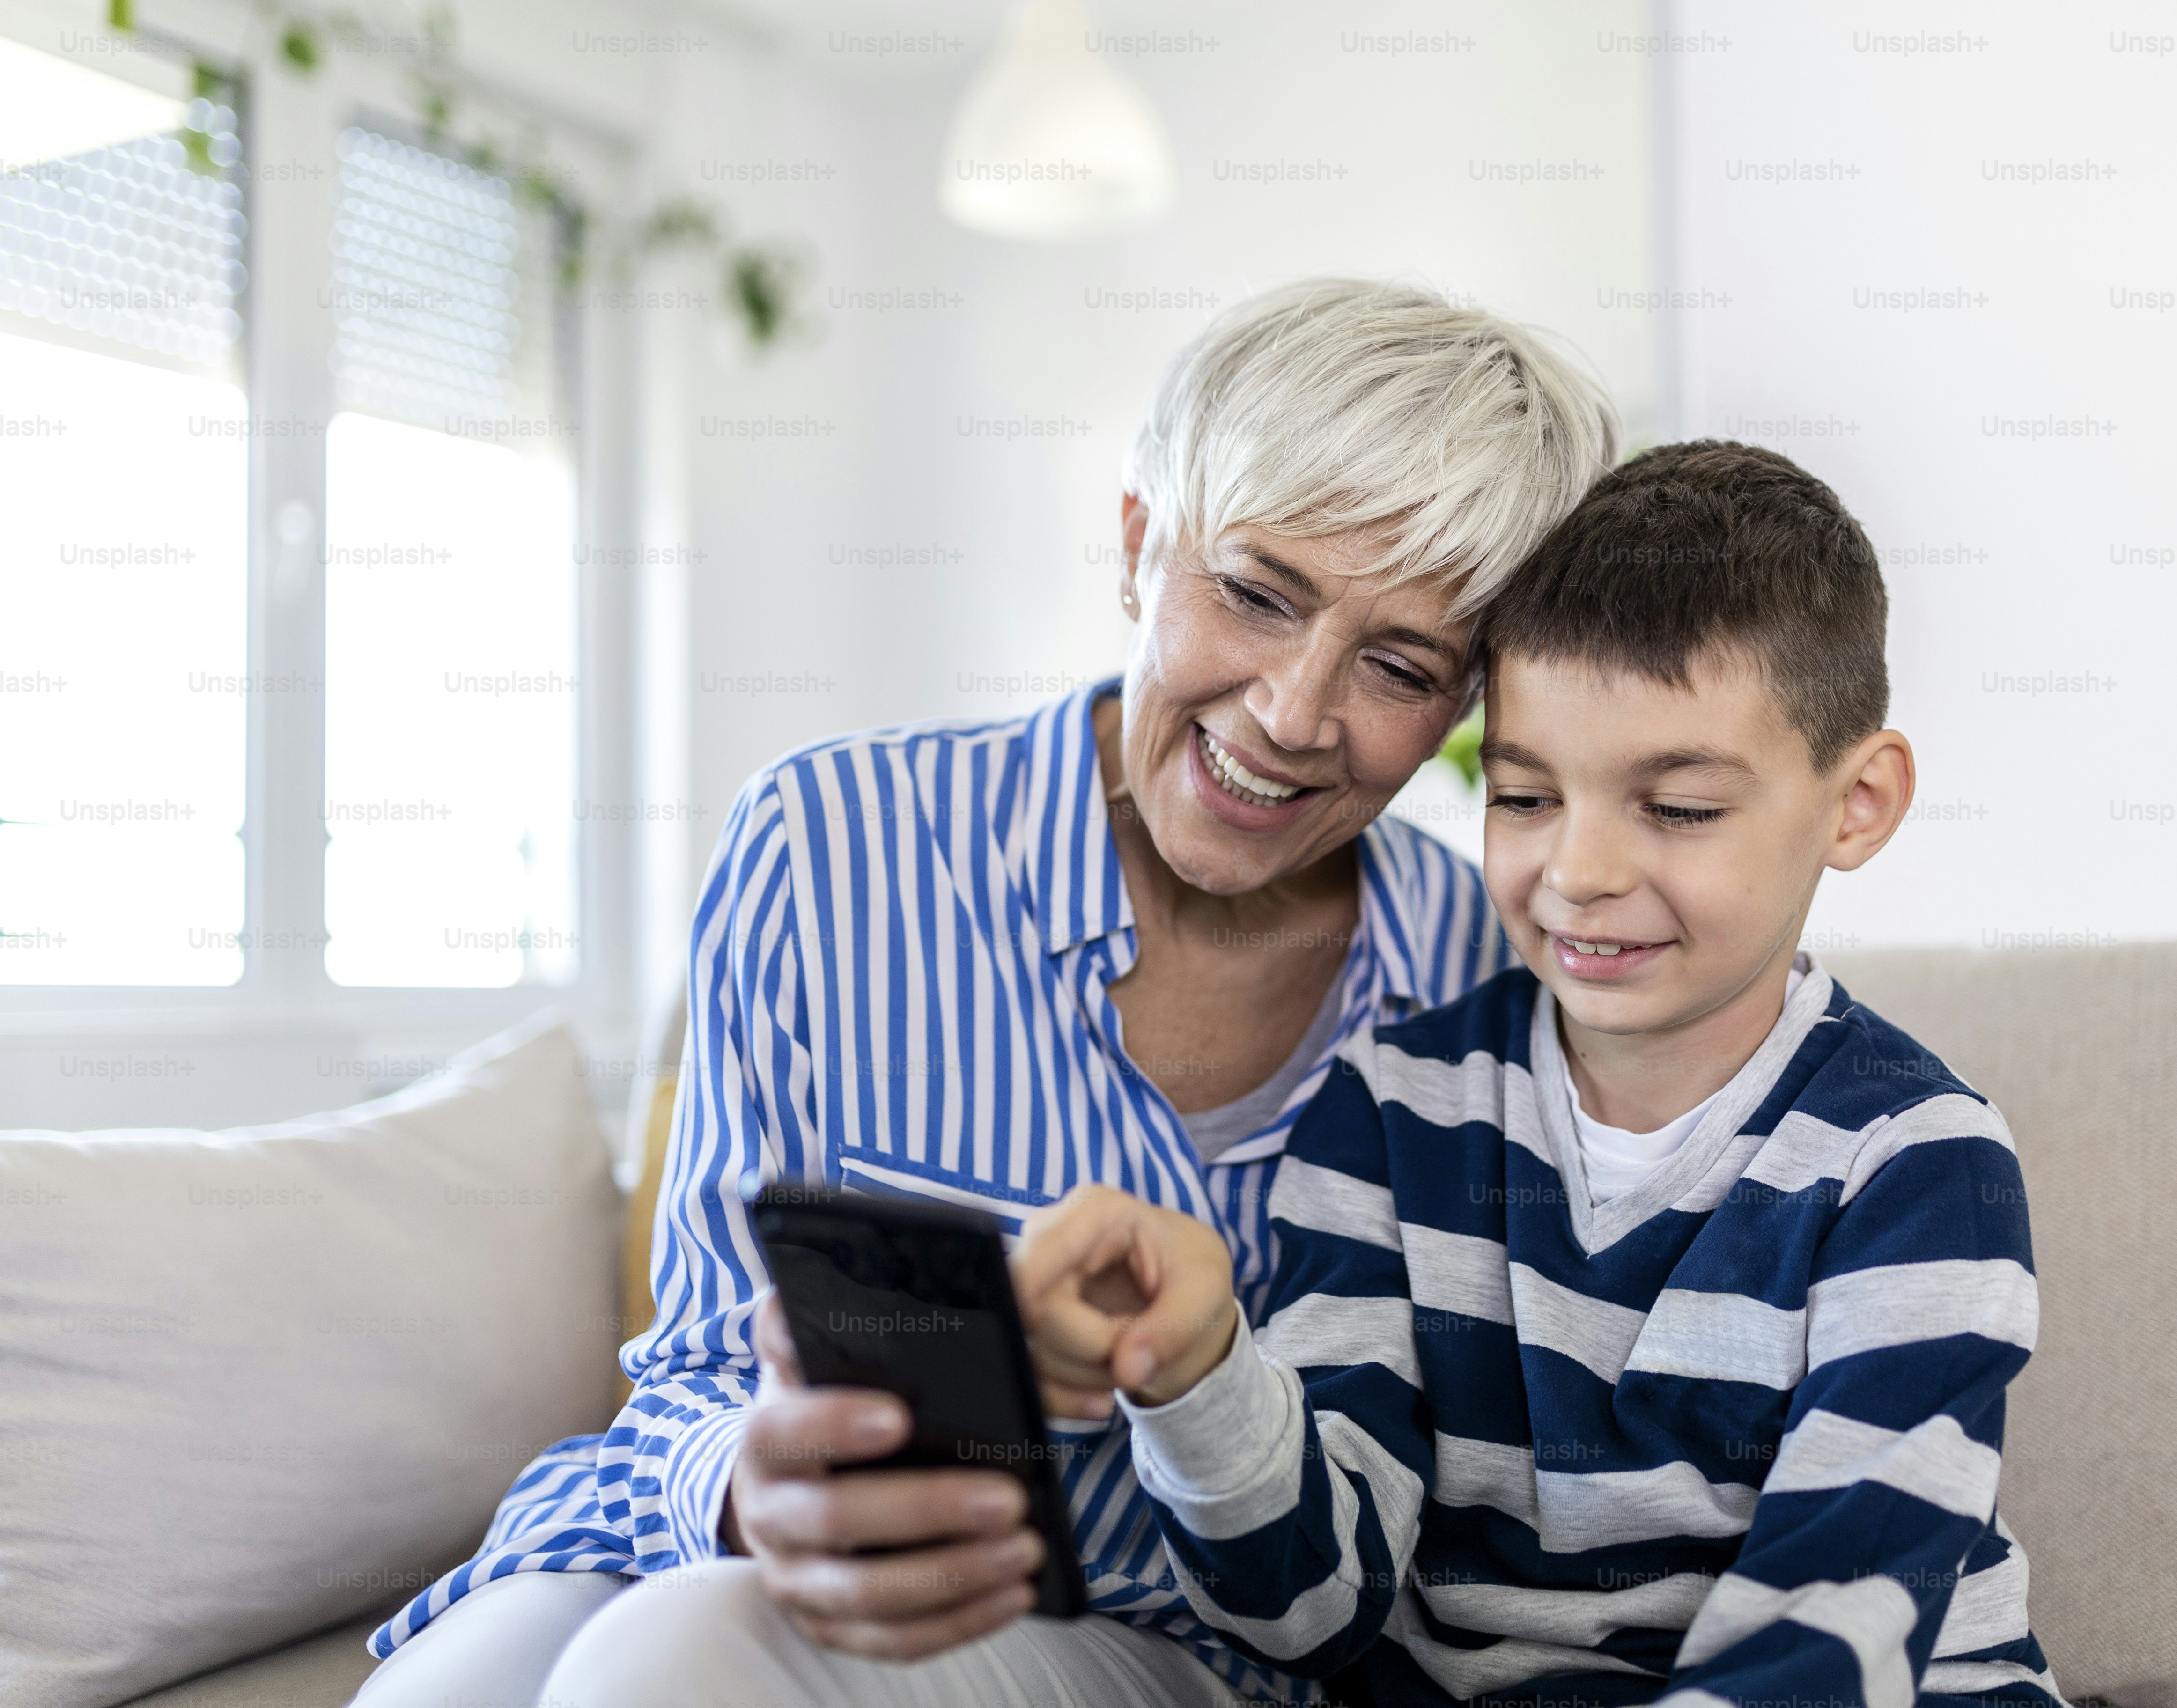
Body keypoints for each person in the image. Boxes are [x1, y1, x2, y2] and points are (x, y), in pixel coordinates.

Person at [351, 278, 1620, 1707]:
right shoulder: (828, 846)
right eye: (1255, 594)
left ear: (1462, 708)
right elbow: (702, 1366)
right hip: (693, 1539)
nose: (1291, 712)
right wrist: (748, 1491)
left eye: (1398, 666)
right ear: (1140, 546)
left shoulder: (1464, 964)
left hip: (1157, 1635)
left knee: (682, 1663)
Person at [1013, 440, 2070, 1707]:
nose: (1580, 873)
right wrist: (1196, 1374)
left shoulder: (1916, 1166)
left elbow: (1831, 1636)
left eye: (1677, 809)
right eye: (1524, 797)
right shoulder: (1393, 1117)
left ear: (1858, 805)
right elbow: (1310, 1608)